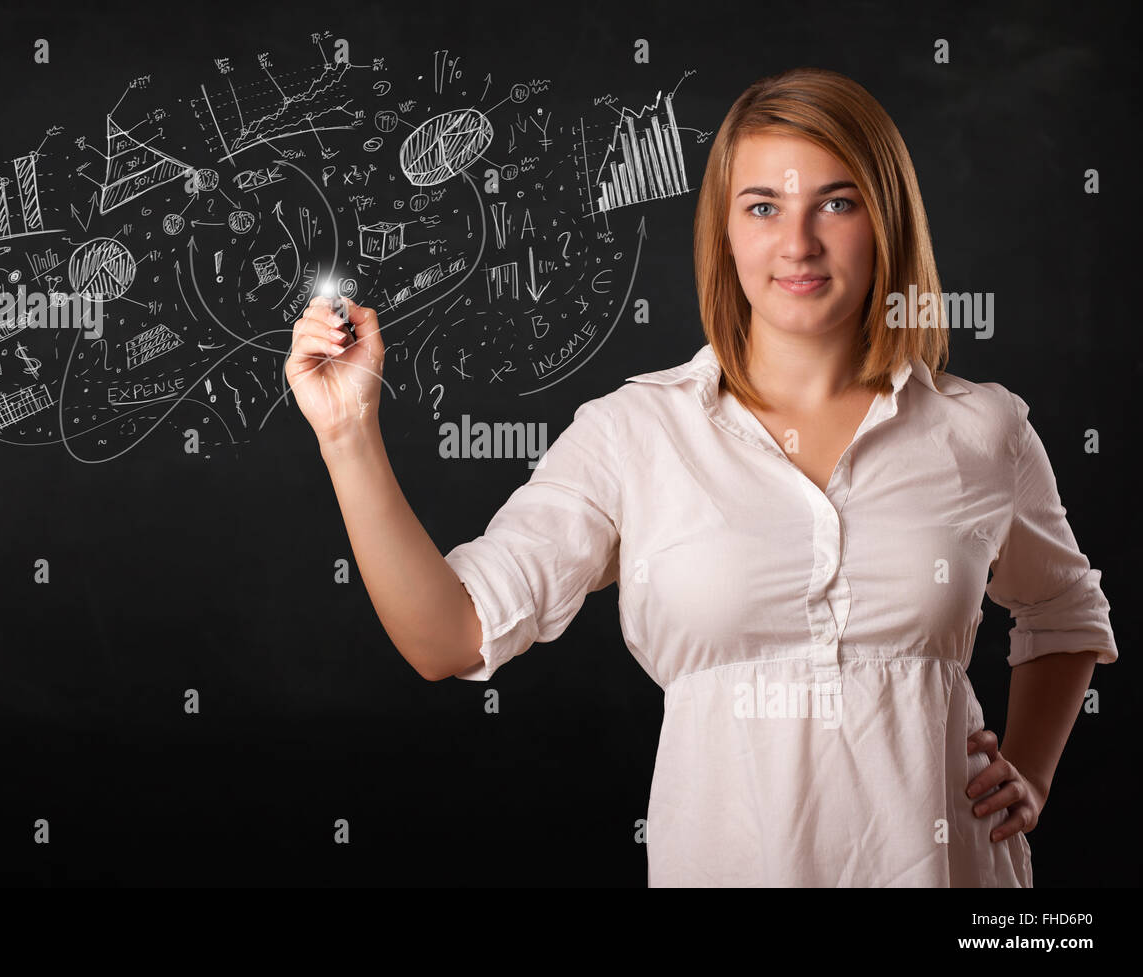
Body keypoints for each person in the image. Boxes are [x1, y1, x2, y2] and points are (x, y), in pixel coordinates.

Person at [285, 66, 1118, 887]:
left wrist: (1032, 772)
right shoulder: (633, 433)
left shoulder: (983, 427)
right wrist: (348, 433)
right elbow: (448, 635)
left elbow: (1065, 609)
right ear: (725, 230)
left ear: (887, 220)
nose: (798, 244)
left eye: (837, 201)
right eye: (763, 207)